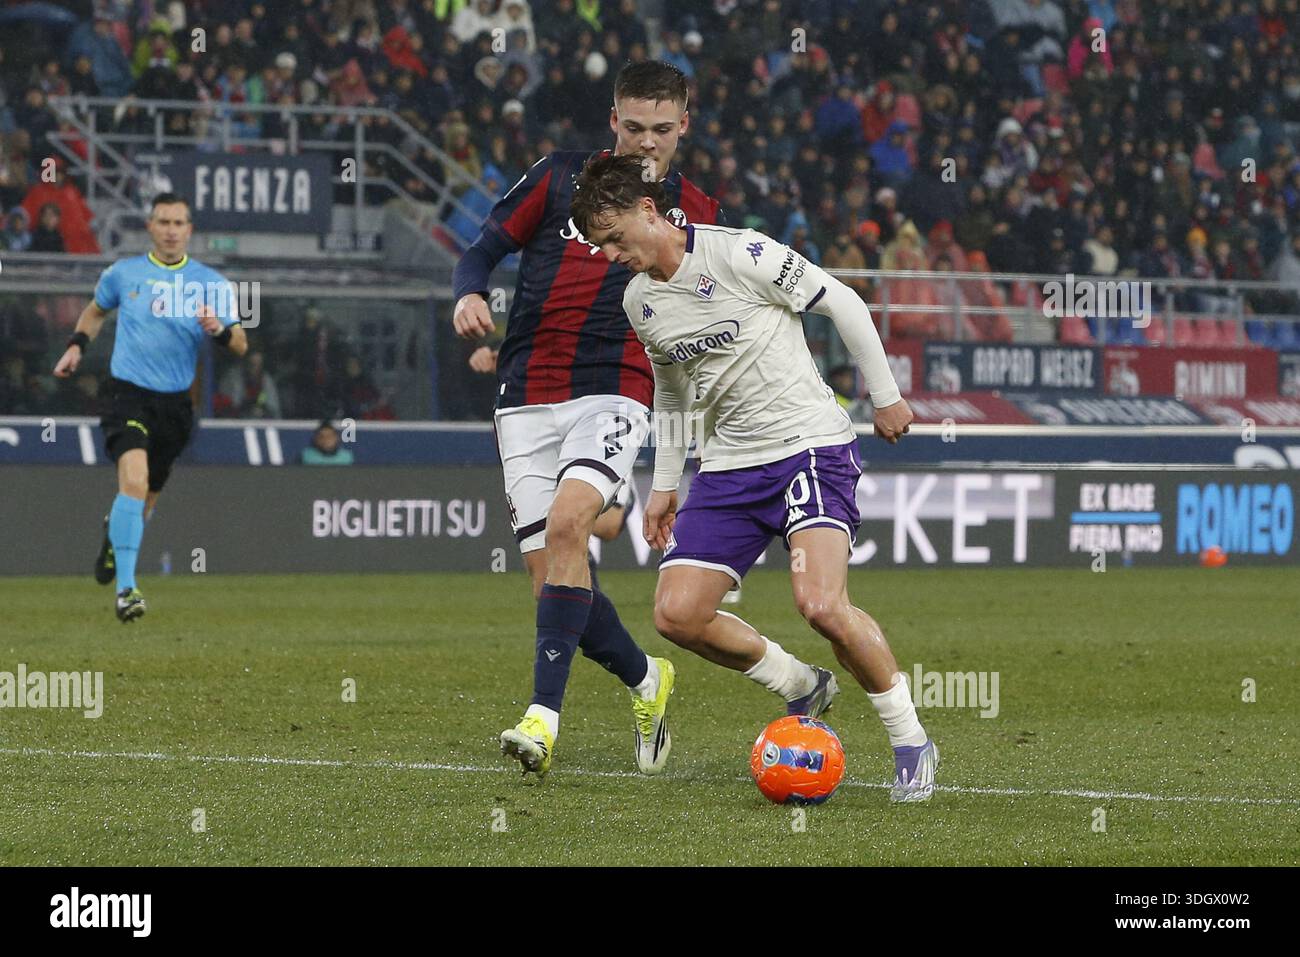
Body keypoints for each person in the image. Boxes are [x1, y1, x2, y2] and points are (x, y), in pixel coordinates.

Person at [570, 153, 939, 803]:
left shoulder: (740, 254)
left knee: (821, 604)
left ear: (648, 211)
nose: (610, 254)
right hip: (729, 466)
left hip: (808, 448)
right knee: (677, 614)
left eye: (616, 238)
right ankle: (800, 684)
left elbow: (843, 302)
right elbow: (673, 391)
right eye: (601, 246)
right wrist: (664, 484)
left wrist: (884, 395)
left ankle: (910, 738)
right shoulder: (639, 300)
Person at [451, 61, 722, 780]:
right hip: (525, 394)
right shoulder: (557, 175)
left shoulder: (698, 210)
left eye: (661, 129)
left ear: (683, 127)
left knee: (574, 525)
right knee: (556, 584)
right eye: (633, 127)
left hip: (618, 387)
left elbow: (709, 319)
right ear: (613, 121)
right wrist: (468, 294)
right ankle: (646, 681)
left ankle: (541, 720)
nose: (645, 143)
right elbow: (481, 250)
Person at [52, 193, 248, 622]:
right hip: (127, 394)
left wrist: (217, 330)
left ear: (190, 230)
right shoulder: (124, 274)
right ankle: (127, 590)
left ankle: (113, 540)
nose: (172, 230)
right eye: (164, 222)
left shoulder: (212, 283)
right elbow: (95, 310)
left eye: (180, 223)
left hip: (176, 405)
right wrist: (76, 346)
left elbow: (240, 343)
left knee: (145, 497)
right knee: (135, 480)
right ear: (150, 226)